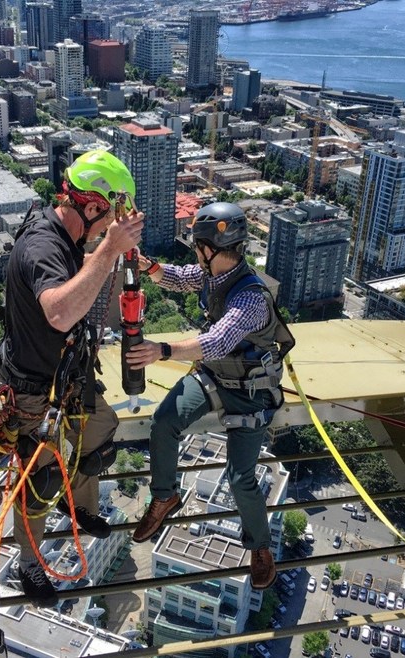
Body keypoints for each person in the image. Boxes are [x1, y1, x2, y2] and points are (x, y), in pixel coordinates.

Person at [0, 150, 144, 607]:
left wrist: (117, 253)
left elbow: (88, 290)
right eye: (106, 218)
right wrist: (109, 249)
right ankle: (30, 566)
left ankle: (76, 506)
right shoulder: (43, 242)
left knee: (99, 432)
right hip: (33, 389)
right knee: (39, 480)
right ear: (95, 206)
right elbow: (58, 311)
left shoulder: (68, 234)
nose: (104, 228)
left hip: (67, 376)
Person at [124, 201, 294, 591]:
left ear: (208, 248)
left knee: (240, 478)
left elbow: (216, 341)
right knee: (165, 422)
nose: (195, 254)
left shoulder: (250, 297)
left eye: (197, 246)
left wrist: (162, 350)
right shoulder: (212, 275)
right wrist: (149, 266)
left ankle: (260, 546)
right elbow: (181, 278)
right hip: (214, 378)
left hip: (250, 392)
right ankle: (165, 496)